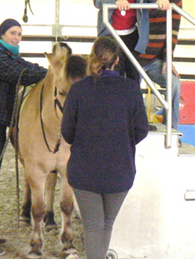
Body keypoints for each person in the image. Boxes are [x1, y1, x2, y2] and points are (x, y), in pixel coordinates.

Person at [61, 36, 149, 259]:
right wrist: (121, 141)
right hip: (120, 170)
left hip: (84, 171)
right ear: (117, 61)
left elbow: (67, 133)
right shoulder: (130, 89)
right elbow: (142, 129)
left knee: (93, 226)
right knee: (106, 225)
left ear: (92, 59)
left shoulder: (78, 90)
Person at [0, 18, 48, 255]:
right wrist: (50, 73)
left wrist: (46, 71)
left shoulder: (9, 56)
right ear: (1, 34)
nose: (16, 37)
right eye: (13, 33)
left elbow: (29, 67)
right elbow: (23, 73)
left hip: (0, 121)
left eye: (19, 34)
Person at [139, 0, 183, 127]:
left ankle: (171, 130)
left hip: (154, 60)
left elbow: (173, 30)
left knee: (175, 83)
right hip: (134, 57)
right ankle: (138, 128)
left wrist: (168, 59)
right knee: (131, 90)